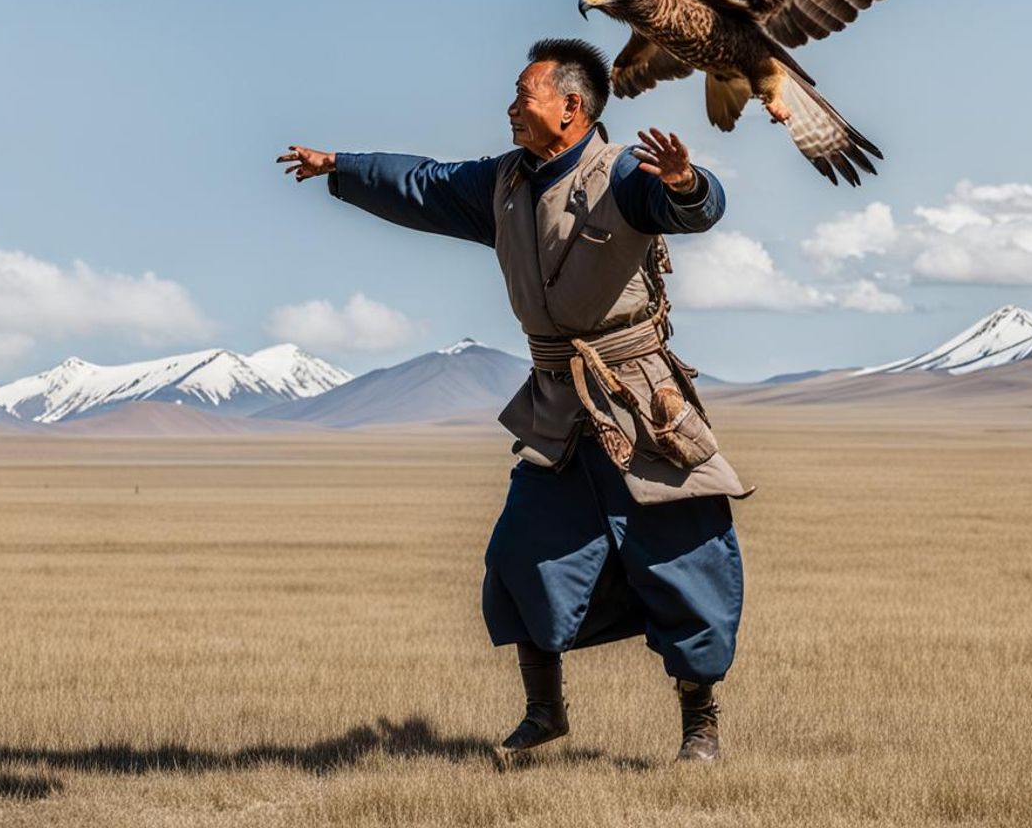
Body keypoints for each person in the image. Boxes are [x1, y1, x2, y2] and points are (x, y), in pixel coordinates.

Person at [276, 38, 750, 762]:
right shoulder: (503, 184)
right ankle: (544, 709)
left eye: (523, 95)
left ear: (571, 106)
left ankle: (700, 724)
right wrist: (340, 166)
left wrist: (687, 184)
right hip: (556, 407)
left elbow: (692, 206)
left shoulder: (625, 174)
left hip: (642, 404)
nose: (510, 107)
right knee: (522, 557)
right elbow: (424, 184)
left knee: (683, 559)